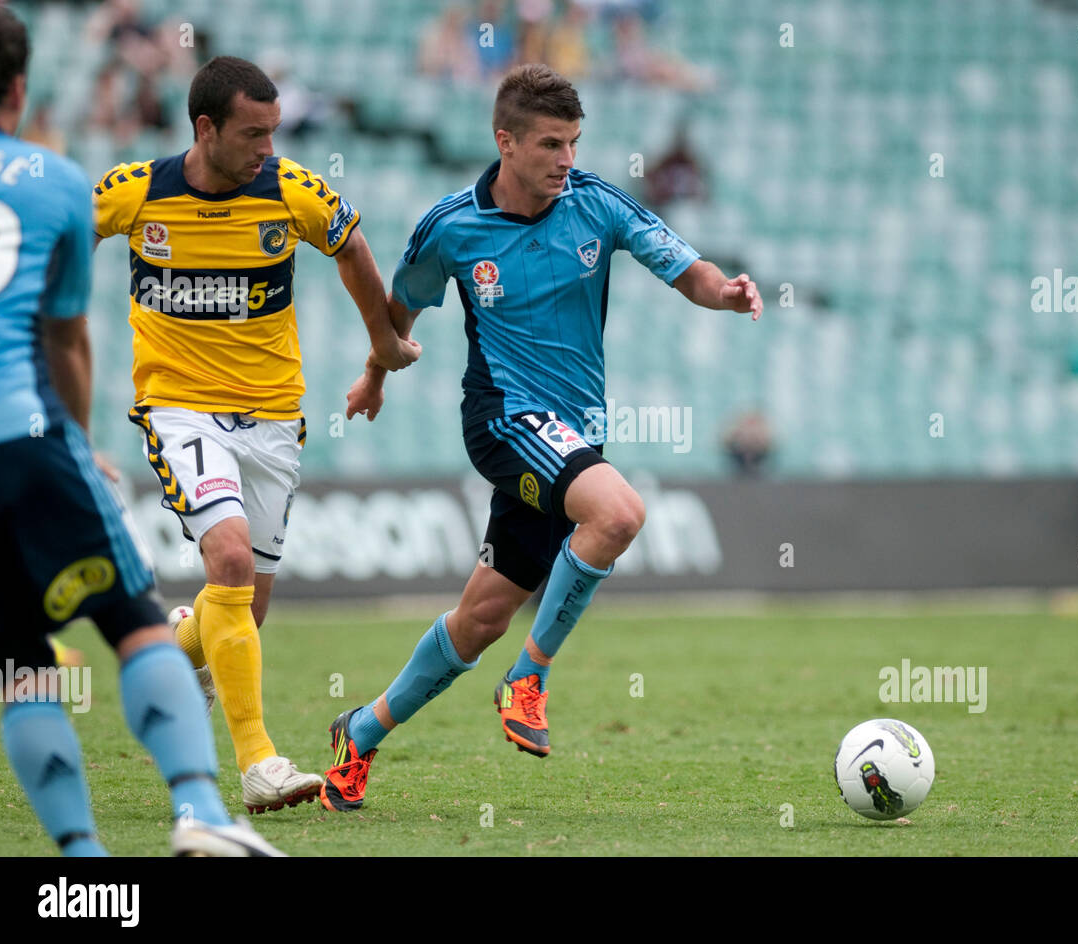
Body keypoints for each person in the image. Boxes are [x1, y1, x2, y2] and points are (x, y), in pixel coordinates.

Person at [318, 63, 761, 811]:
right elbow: (401, 308)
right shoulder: (452, 226)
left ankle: (358, 734)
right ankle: (529, 677)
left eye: (574, 143)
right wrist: (376, 374)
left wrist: (724, 291)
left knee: (480, 618)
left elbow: (684, 267)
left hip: (572, 436)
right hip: (502, 417)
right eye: (552, 143)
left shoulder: (595, 205)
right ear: (506, 142)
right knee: (619, 513)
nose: (567, 159)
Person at [92, 55, 420, 813]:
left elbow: (354, 250)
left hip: (273, 416)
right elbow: (65, 238)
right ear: (204, 129)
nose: (268, 148)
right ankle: (257, 762)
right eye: (252, 134)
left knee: (243, 605)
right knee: (230, 556)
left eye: (274, 131)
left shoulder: (291, 191)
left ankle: (171, 655)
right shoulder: (138, 191)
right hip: (178, 408)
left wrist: (384, 347)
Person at [0, 7, 279, 856]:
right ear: (18, 85)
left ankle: (83, 862)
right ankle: (201, 812)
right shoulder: (54, 182)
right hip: (21, 433)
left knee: (20, 661)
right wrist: (75, 442)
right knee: (139, 623)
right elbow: (67, 339)